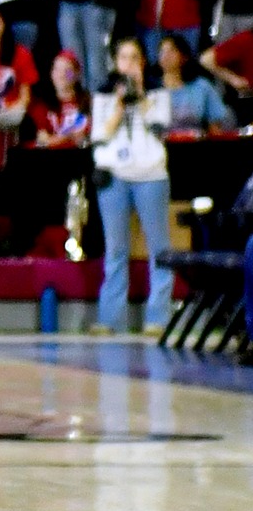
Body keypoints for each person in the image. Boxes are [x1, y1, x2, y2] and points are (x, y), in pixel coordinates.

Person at [91, 37, 174, 334]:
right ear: (115, 62)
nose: (128, 63)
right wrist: (118, 106)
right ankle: (110, 318)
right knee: (115, 250)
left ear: (142, 62)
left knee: (159, 248)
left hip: (150, 176)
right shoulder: (102, 93)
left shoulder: (157, 91)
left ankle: (158, 318)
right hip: (115, 175)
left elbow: (161, 127)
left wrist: (139, 97)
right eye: (123, 57)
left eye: (134, 57)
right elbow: (99, 136)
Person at [156, 34, 234, 135]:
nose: (166, 56)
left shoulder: (202, 87)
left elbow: (215, 127)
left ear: (184, 57)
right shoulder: (152, 89)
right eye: (162, 51)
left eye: (172, 51)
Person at [29, 50, 90, 146]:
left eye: (68, 71)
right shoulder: (42, 106)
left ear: (77, 74)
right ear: (51, 73)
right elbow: (44, 141)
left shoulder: (88, 104)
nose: (61, 75)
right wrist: (68, 136)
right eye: (57, 69)